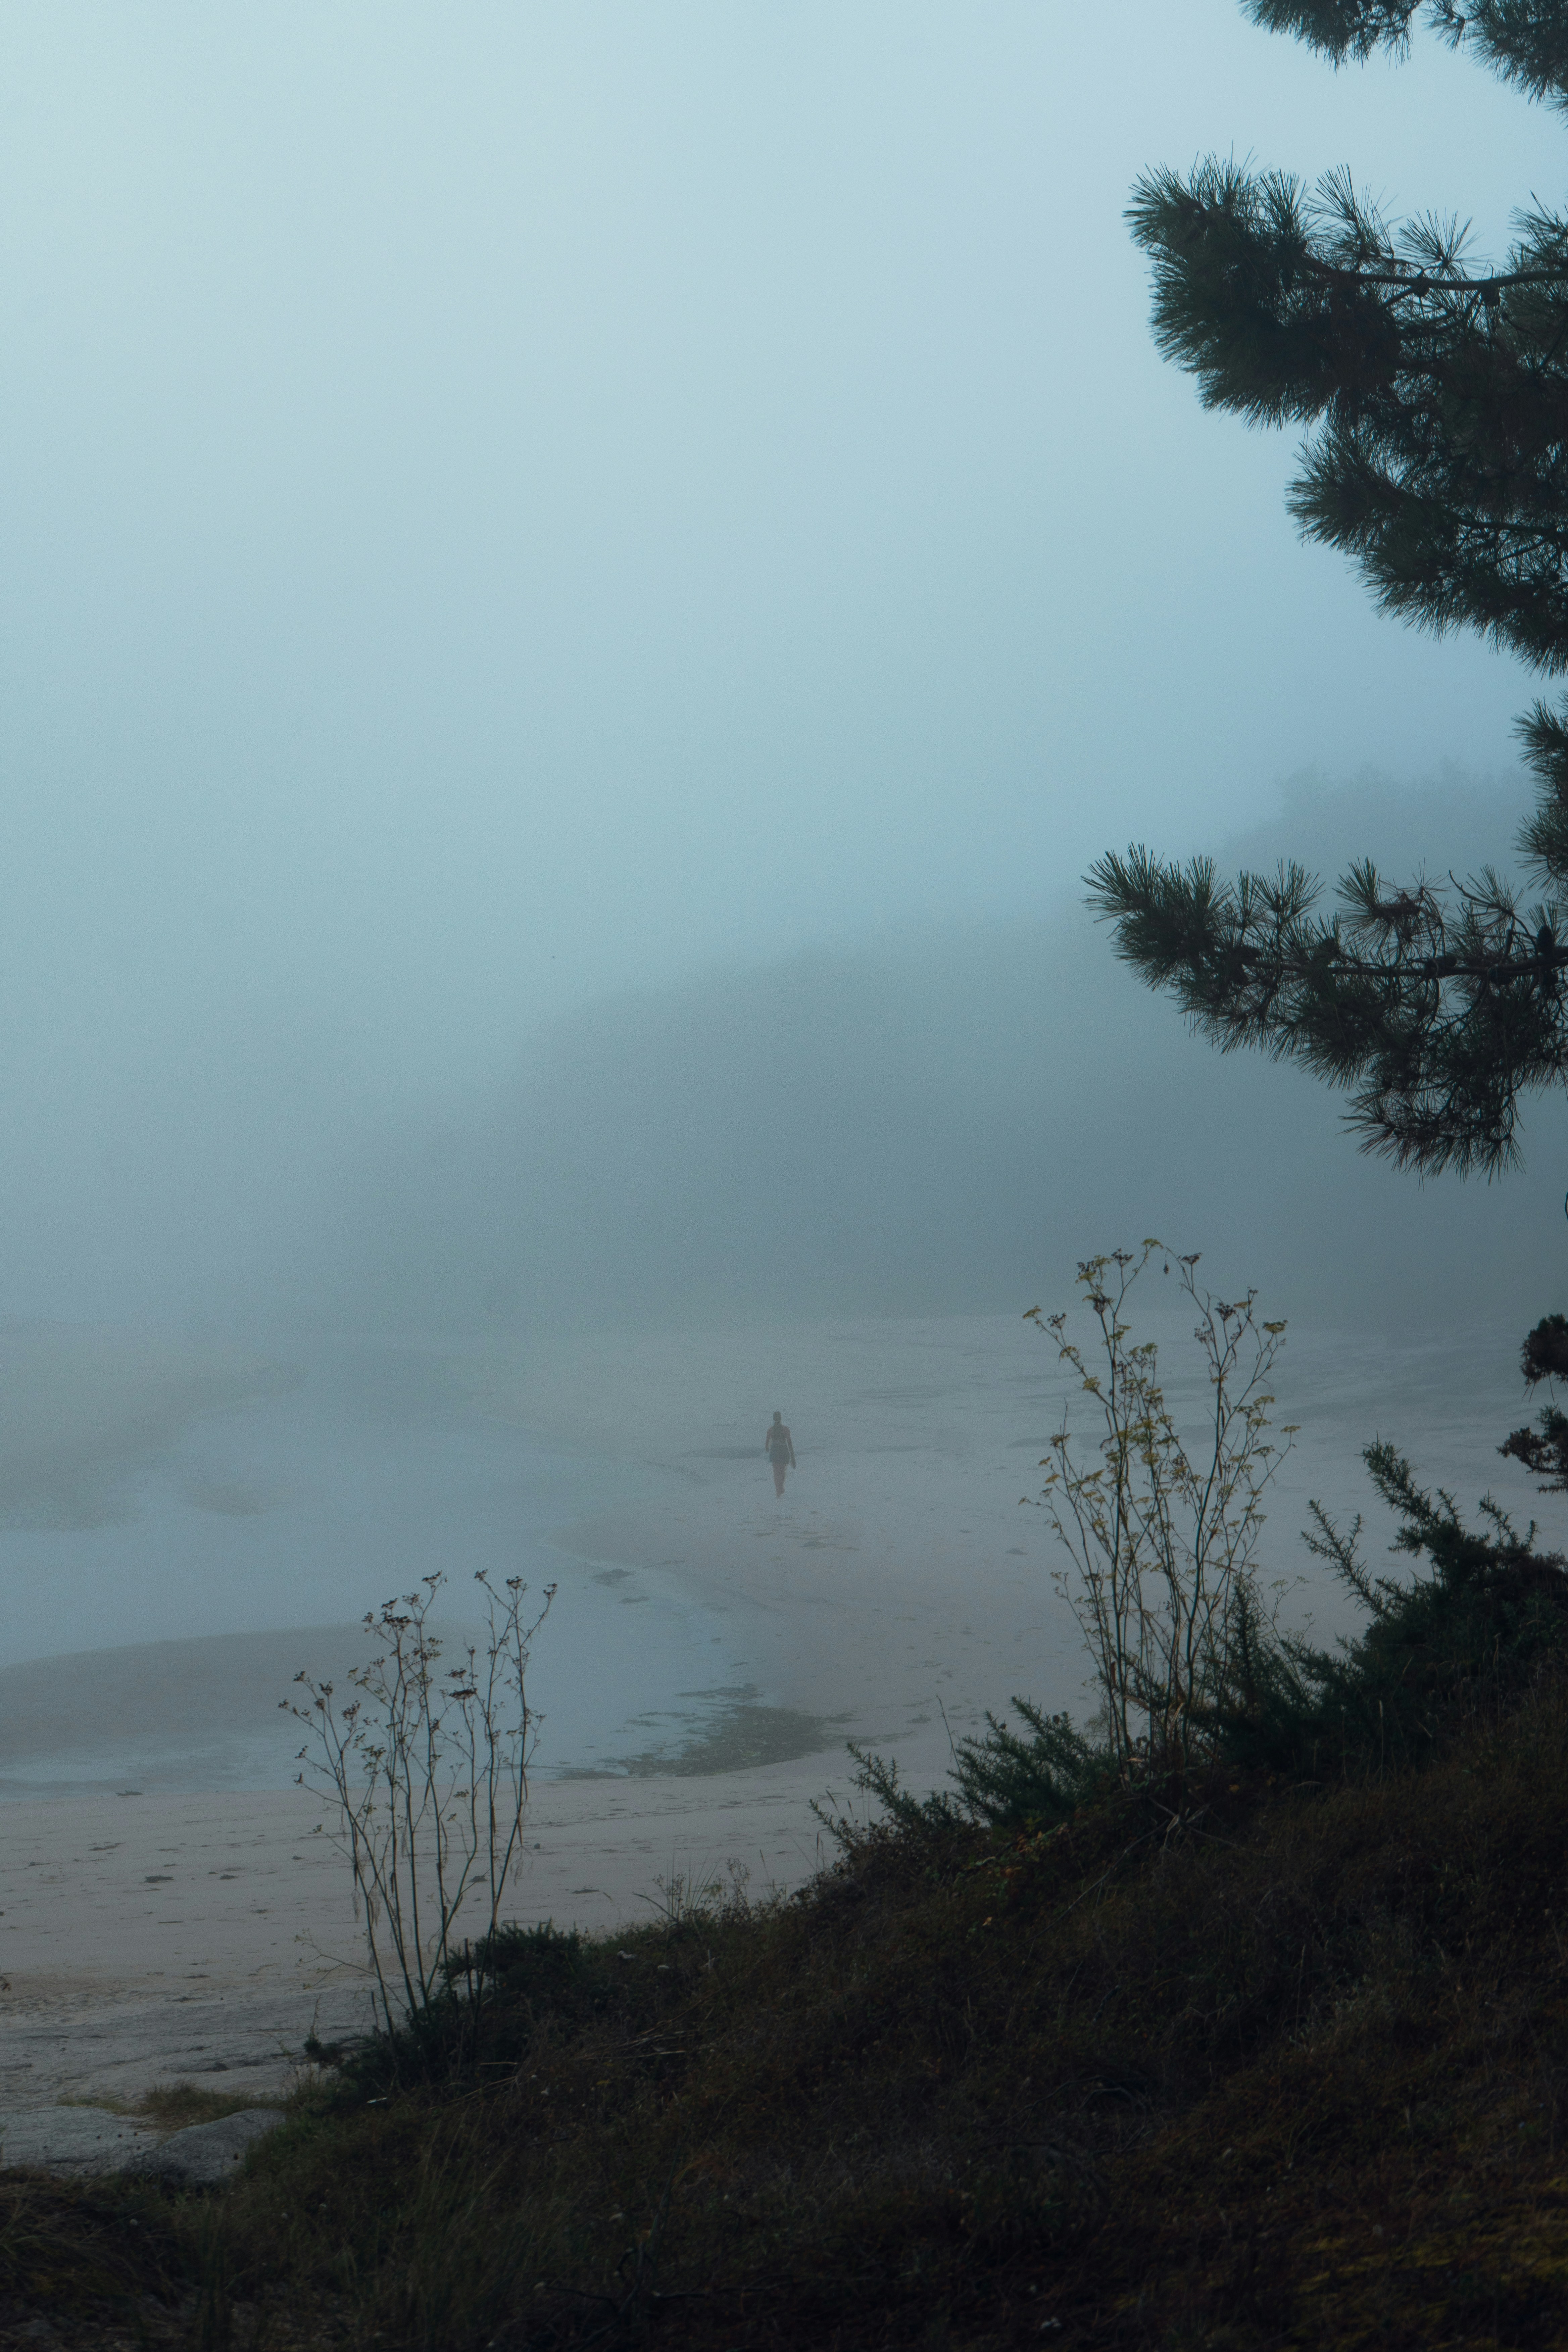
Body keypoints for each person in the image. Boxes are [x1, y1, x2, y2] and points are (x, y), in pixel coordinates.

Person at [764, 1410, 796, 1498]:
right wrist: (793, 1457)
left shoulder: (770, 1430)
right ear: (781, 1418)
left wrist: (768, 1449)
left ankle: (778, 1491)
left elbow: (767, 1446)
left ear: (774, 1419)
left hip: (775, 1451)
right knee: (782, 1472)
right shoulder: (785, 1429)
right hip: (783, 1450)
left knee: (776, 1473)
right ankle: (780, 1489)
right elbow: (790, 1443)